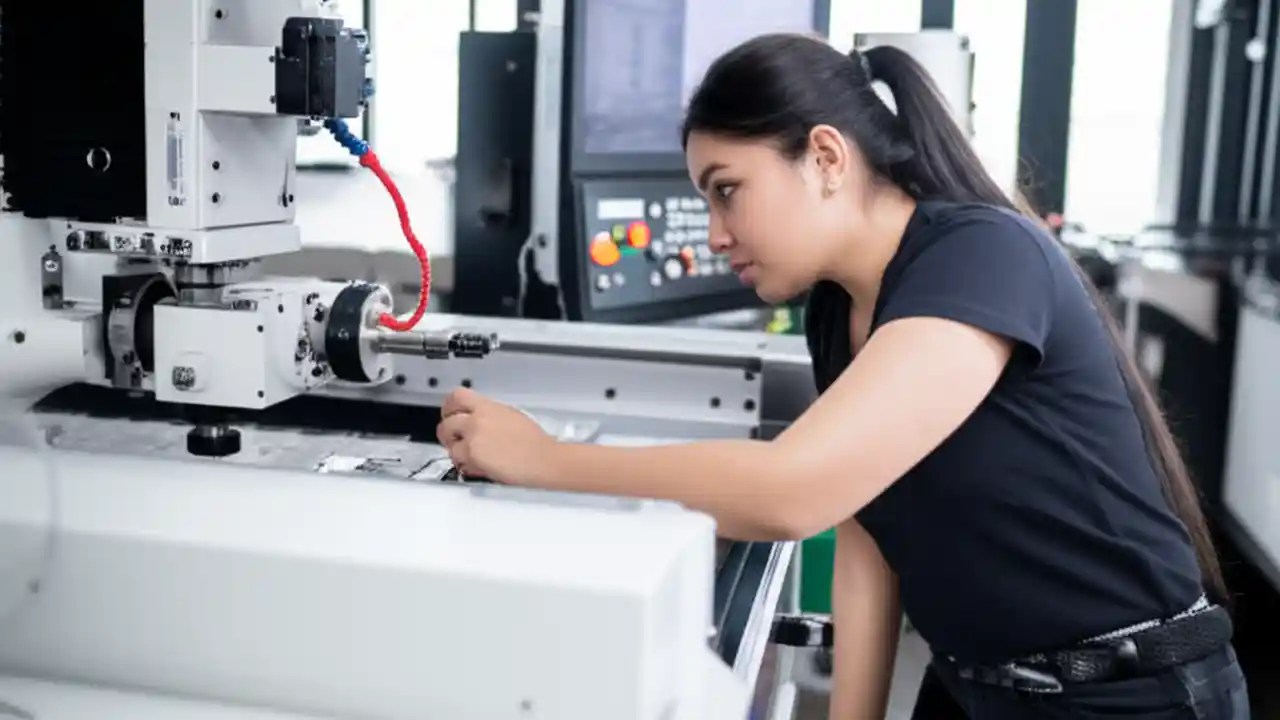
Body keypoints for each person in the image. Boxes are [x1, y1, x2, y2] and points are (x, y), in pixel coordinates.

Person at [436, 33, 1250, 719]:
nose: (716, 233)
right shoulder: (838, 307)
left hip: (1128, 694)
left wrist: (544, 460)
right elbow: (867, 519)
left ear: (825, 156)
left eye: (728, 192)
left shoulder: (982, 254)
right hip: (974, 684)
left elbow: (797, 492)